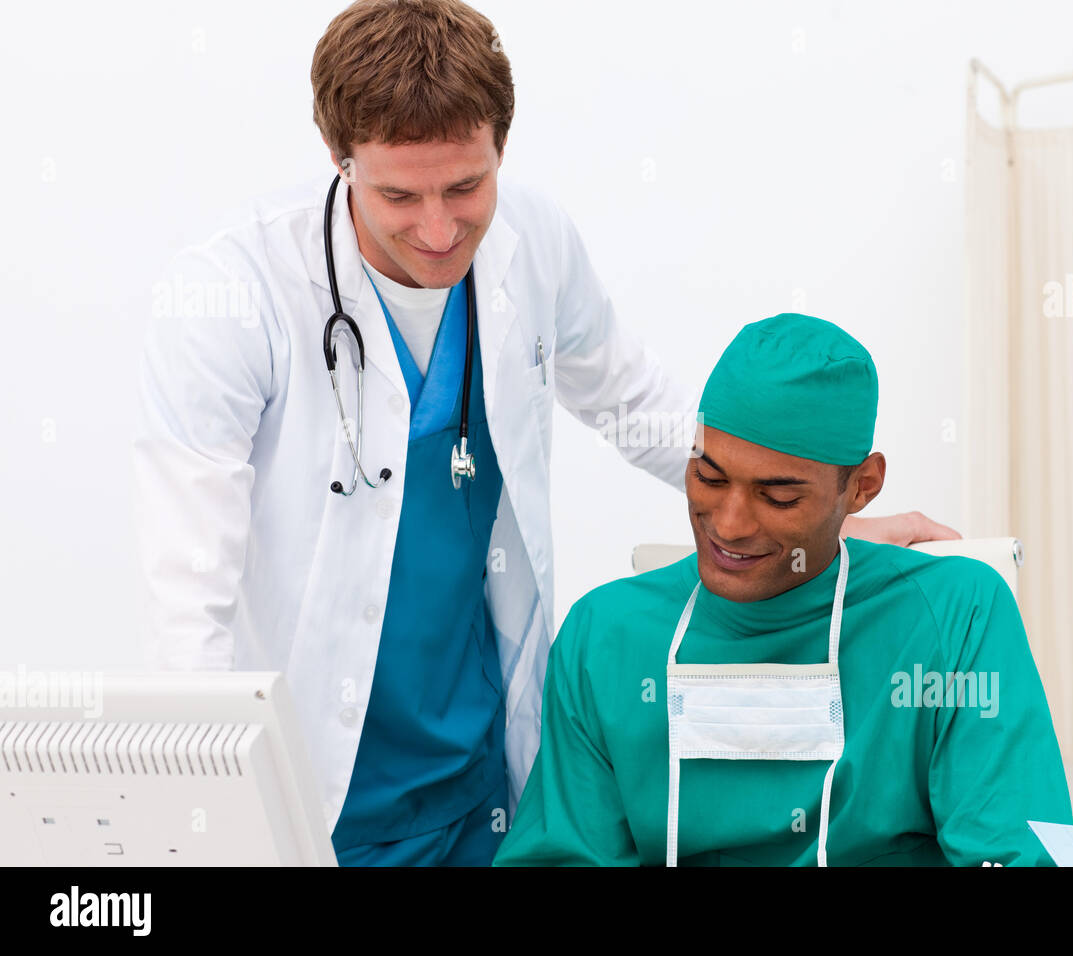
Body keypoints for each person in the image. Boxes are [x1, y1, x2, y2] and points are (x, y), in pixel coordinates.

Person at [132, 0, 955, 867]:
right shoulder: (231, 298)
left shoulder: (532, 244)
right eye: (398, 196)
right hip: (316, 792)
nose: (440, 230)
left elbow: (634, 404)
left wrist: (811, 524)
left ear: (500, 149)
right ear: (339, 162)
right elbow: (189, 602)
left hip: (481, 787)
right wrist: (204, 828)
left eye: (465, 187)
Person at [494, 314, 1072, 866]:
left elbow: (1014, 853)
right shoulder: (606, 637)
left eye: (779, 497)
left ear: (862, 488)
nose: (729, 524)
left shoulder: (955, 616)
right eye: (709, 476)